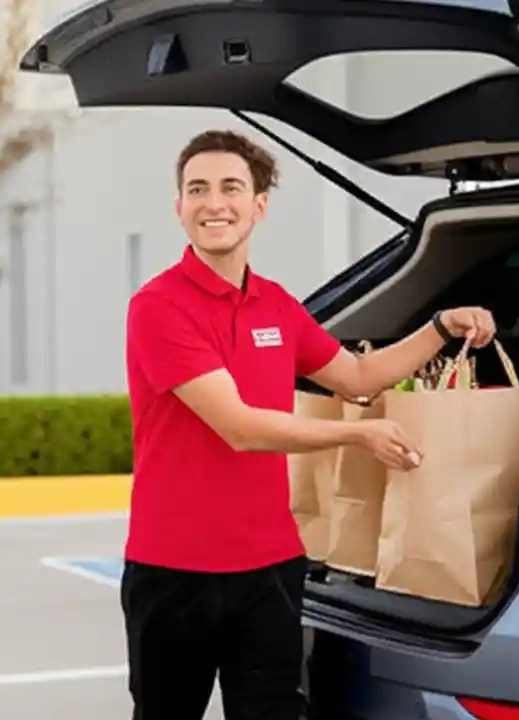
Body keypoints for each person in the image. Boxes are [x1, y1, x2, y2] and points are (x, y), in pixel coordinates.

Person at [121, 129, 495, 719]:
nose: (213, 203)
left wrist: (441, 328)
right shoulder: (158, 307)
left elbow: (359, 377)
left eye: (230, 188)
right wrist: (358, 433)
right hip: (175, 571)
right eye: (197, 189)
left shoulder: (276, 306)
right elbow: (240, 428)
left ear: (259, 205)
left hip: (269, 568)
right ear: (178, 206)